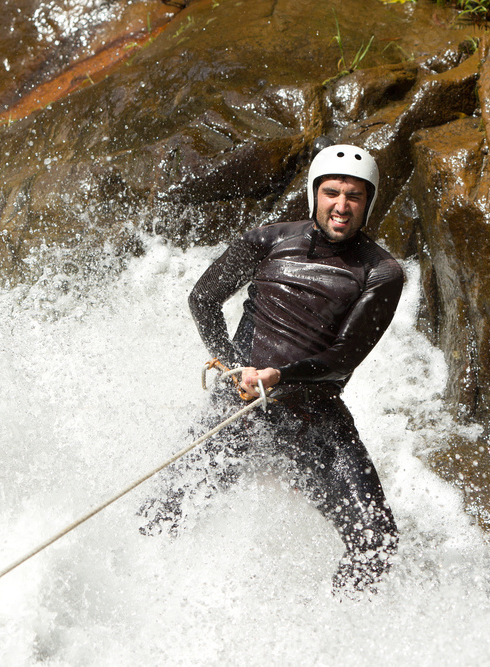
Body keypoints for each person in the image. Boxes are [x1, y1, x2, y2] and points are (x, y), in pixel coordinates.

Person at [139, 143, 404, 594]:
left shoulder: (381, 273)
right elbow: (202, 299)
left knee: (376, 539)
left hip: (312, 417)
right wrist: (229, 365)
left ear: (368, 202)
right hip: (238, 406)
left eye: (354, 196)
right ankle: (143, 593)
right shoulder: (268, 240)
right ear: (314, 193)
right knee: (162, 514)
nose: (341, 206)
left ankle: (332, 627)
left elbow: (342, 359)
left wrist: (280, 377)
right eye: (332, 192)